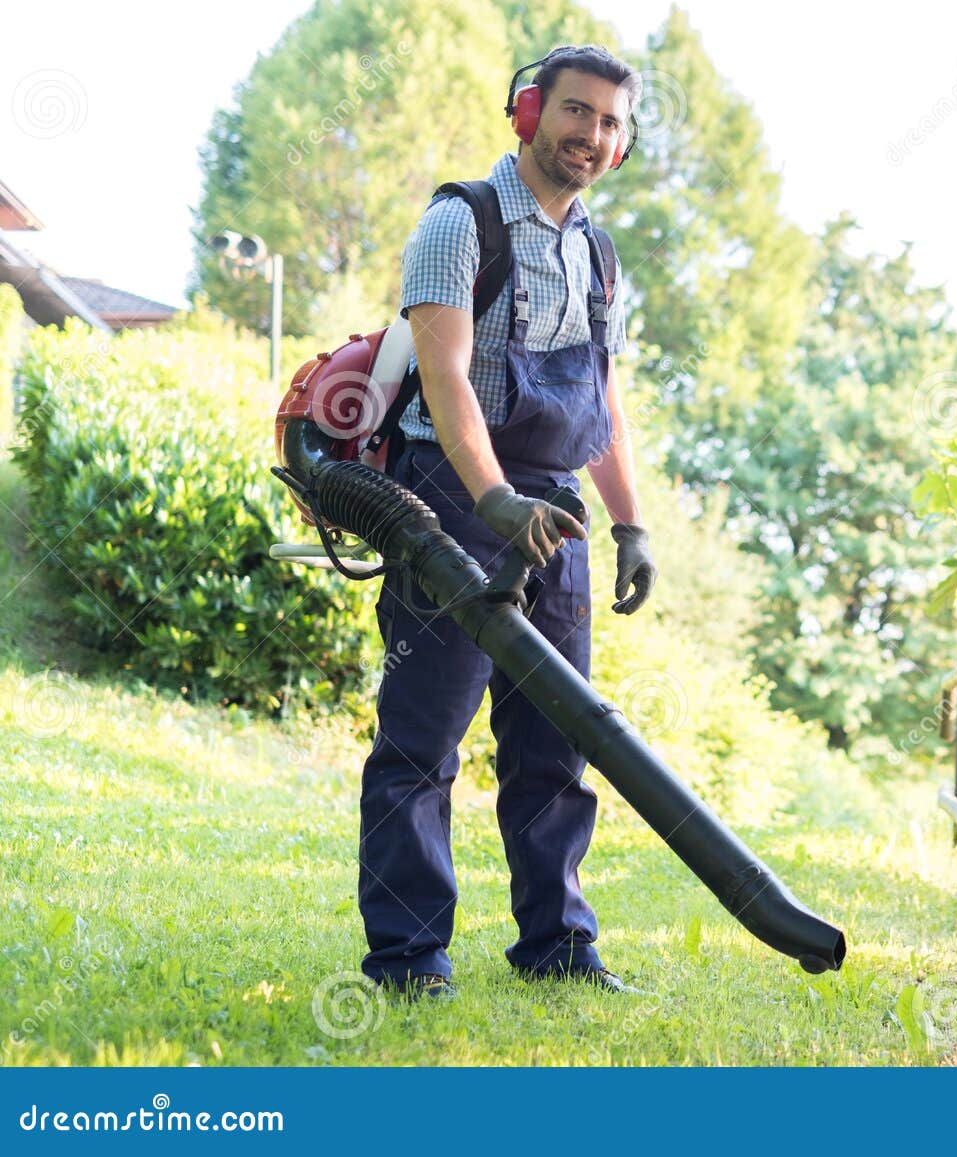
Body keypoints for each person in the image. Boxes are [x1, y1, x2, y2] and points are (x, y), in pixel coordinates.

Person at [357, 44, 657, 1000]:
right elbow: (445, 379)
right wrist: (491, 502)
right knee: (422, 740)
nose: (591, 135)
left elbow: (602, 403)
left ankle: (559, 945)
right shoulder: (459, 224)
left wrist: (629, 524)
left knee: (556, 744)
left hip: (554, 509)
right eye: (576, 112)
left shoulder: (599, 254)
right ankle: (410, 960)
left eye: (610, 122)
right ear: (530, 113)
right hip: (452, 493)